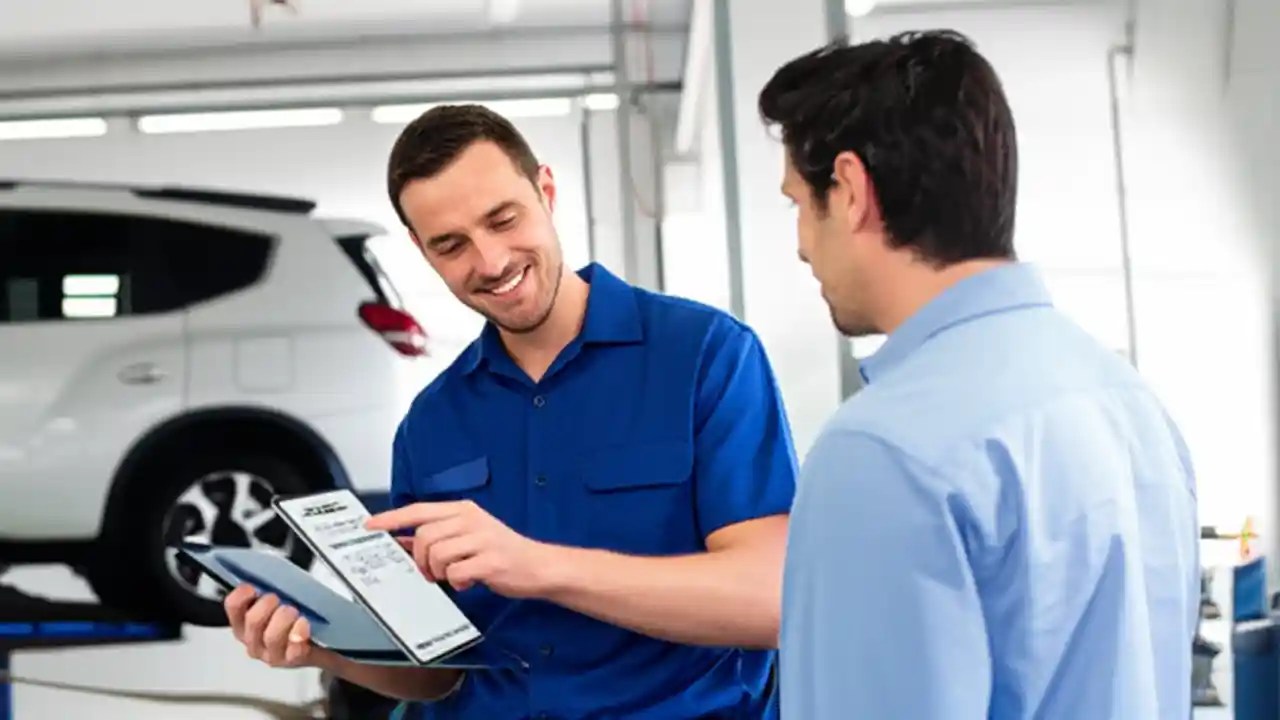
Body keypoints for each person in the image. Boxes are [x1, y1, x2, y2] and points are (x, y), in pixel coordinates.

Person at [223, 104, 798, 719]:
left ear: (545, 191)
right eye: (451, 245)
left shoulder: (705, 356)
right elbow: (438, 671)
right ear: (422, 250)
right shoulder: (431, 423)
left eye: (503, 220)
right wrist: (324, 649)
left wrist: (536, 566)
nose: (491, 261)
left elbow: (769, 602)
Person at [758, 30, 1199, 719]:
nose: (799, 245)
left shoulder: (883, 453)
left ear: (848, 190)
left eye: (797, 204)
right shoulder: (1128, 401)